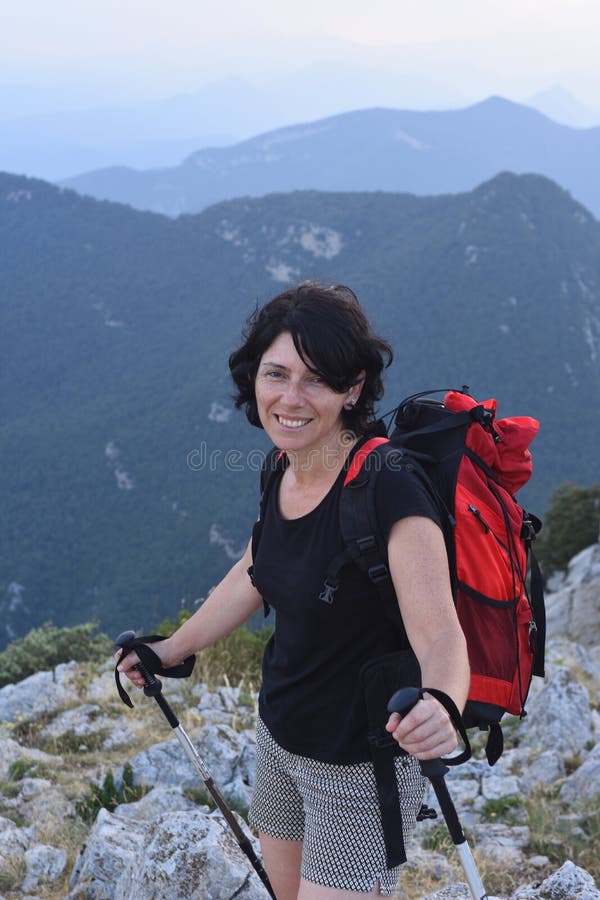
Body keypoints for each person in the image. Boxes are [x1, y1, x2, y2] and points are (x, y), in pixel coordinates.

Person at [117, 282, 470, 899]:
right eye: (276, 374)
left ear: (353, 387)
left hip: (360, 765)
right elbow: (258, 567)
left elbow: (440, 632)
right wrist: (170, 650)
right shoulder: (283, 464)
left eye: (316, 380)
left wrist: (441, 703)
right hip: (279, 737)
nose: (290, 398)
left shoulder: (390, 488)